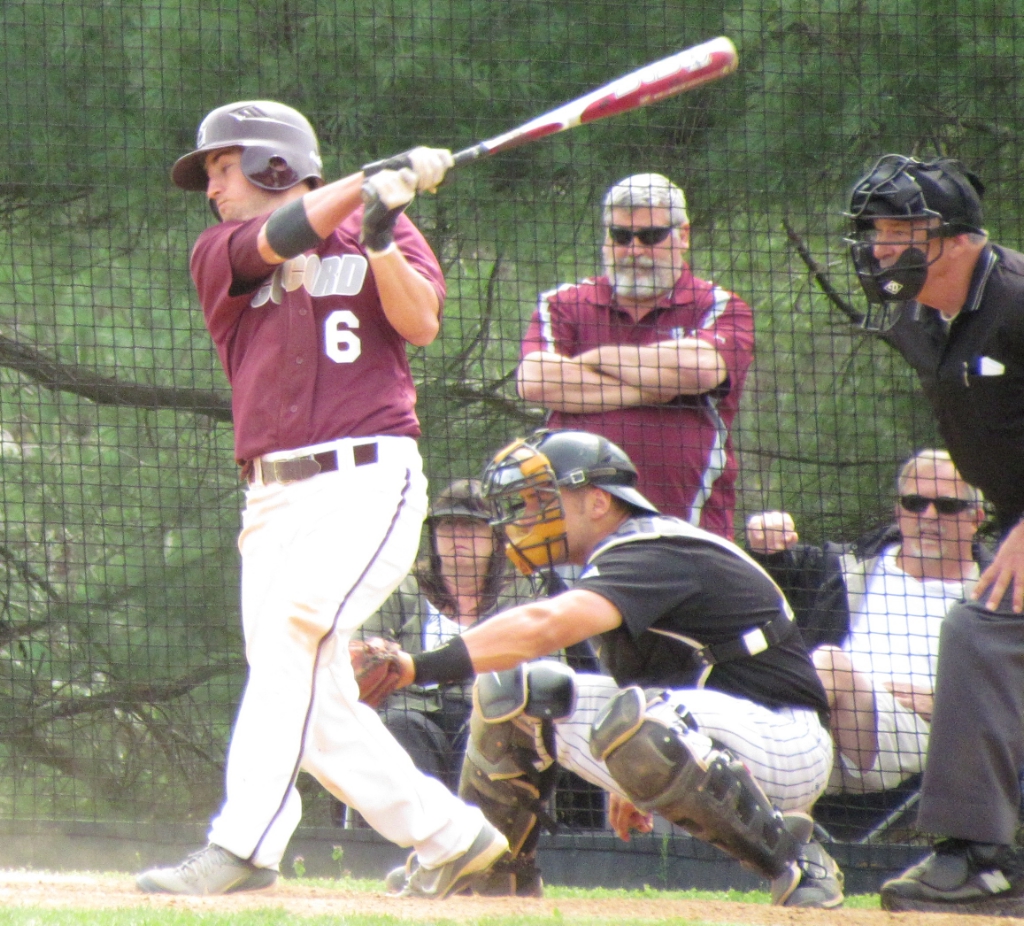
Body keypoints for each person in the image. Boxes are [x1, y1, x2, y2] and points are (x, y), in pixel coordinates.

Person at [134, 100, 507, 898]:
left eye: (222, 168)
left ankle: (244, 846)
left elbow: (422, 322)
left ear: (272, 163)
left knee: (297, 630)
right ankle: (452, 834)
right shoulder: (219, 251)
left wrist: (378, 236)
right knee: (311, 697)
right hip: (269, 500)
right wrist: (369, 181)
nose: (212, 189)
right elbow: (279, 237)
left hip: (368, 479)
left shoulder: (385, 227)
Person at [381, 429, 844, 906]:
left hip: (786, 743)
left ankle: (797, 857)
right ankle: (493, 866)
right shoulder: (618, 557)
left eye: (542, 499)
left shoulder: (653, 547)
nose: (525, 517)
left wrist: (417, 667)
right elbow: (664, 676)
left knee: (635, 717)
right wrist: (630, 773)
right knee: (515, 690)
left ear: (597, 502)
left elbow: (545, 626)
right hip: (712, 725)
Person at [843, 154, 1024, 915]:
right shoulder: (920, 318)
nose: (879, 249)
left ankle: (978, 860)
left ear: (957, 241)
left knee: (978, 633)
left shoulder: (1016, 302)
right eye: (874, 232)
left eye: (897, 232)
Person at [516, 174, 754, 539]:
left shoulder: (720, 306)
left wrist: (596, 357)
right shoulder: (562, 303)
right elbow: (536, 381)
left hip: (690, 536)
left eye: (651, 236)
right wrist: (656, 388)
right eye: (621, 236)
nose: (634, 250)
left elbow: (699, 370)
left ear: (683, 236)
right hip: (579, 540)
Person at [745, 450, 985, 797]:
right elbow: (769, 580)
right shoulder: (844, 565)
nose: (928, 516)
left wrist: (951, 703)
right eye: (915, 502)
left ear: (975, 518)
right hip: (819, 728)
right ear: (898, 509)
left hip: (917, 736)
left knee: (830, 664)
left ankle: (758, 757)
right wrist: (765, 546)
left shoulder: (998, 598)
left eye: (947, 506)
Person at [358, 478, 540, 790]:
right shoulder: (402, 584)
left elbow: (547, 666)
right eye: (446, 526)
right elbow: (363, 651)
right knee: (398, 726)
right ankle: (418, 833)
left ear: (497, 537)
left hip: (491, 711)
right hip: (411, 710)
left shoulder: (524, 590)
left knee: (493, 734)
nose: (457, 537)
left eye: (470, 527)